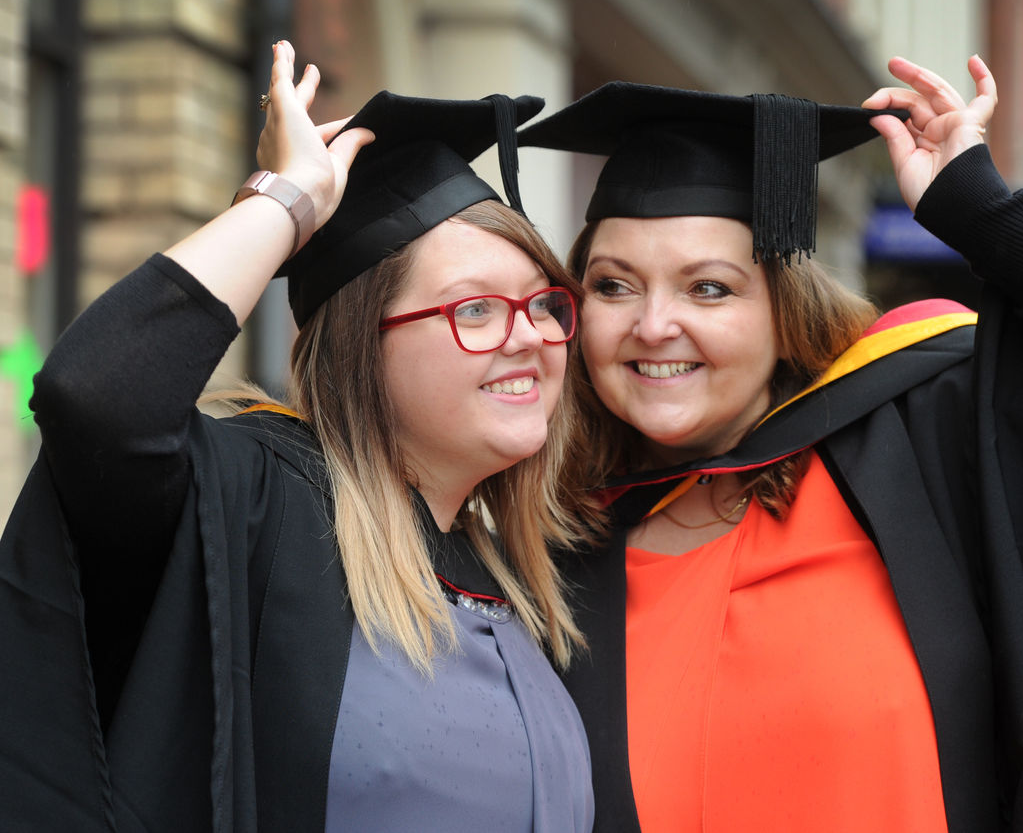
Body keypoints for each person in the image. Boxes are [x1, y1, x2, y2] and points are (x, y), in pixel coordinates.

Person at [519, 56, 1023, 831]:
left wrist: (985, 217)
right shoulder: (545, 538)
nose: (652, 325)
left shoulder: (914, 437)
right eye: (613, 285)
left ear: (786, 307)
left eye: (709, 287)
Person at [0, 40, 594, 832]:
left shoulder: (513, 571)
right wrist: (286, 201)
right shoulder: (265, 505)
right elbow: (98, 397)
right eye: (474, 309)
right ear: (362, 346)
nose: (529, 337)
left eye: (542, 304)